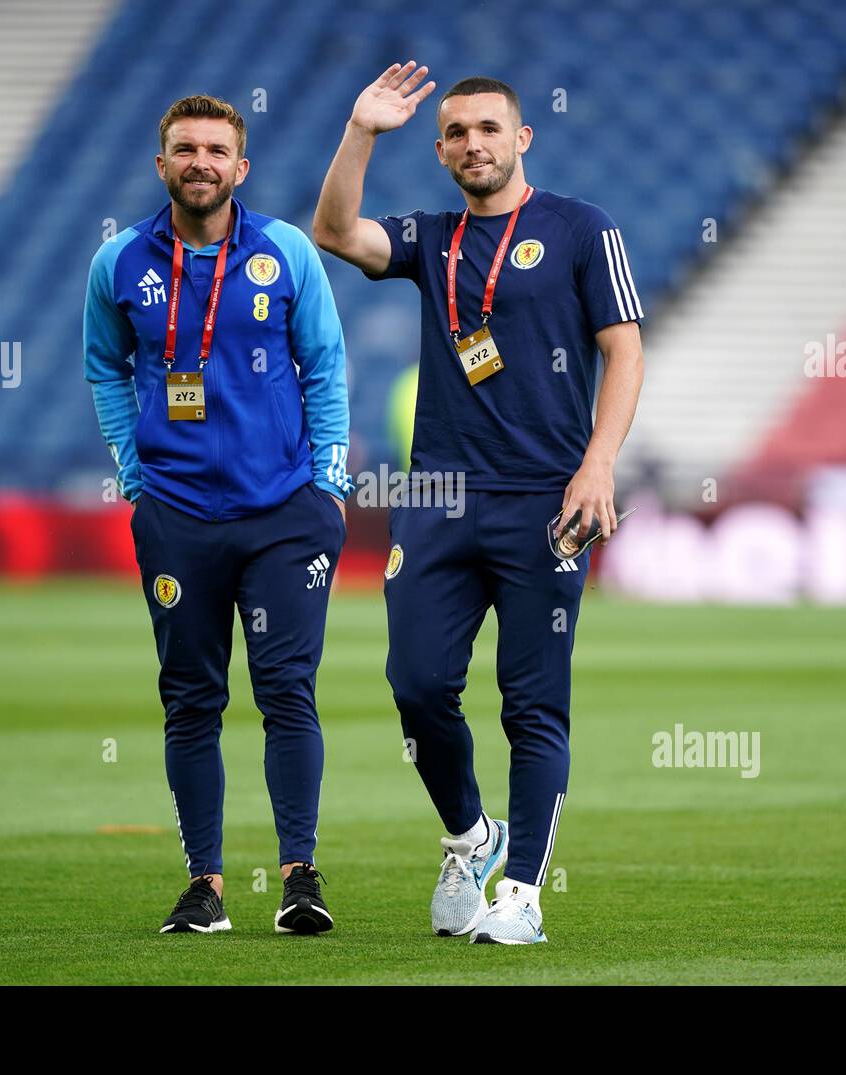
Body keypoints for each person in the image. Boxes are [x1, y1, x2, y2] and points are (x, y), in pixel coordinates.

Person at [314, 66, 645, 944]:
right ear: (440, 148)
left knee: (532, 705)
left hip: (548, 497)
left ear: (522, 138)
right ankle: (469, 835)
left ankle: (525, 894)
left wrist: (599, 464)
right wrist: (362, 131)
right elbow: (335, 230)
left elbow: (626, 350)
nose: (473, 144)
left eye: (489, 128)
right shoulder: (431, 237)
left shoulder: (581, 228)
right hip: (436, 495)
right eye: (457, 132)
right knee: (416, 684)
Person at [85, 94, 352, 936]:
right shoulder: (121, 262)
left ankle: (300, 875)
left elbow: (326, 364)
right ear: (160, 163)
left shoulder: (286, 252)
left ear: (243, 167)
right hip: (177, 516)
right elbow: (105, 367)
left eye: (216, 150)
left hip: (284, 513)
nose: (201, 162)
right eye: (185, 148)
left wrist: (331, 482)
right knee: (191, 700)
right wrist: (136, 475)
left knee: (286, 692)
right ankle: (205, 883)